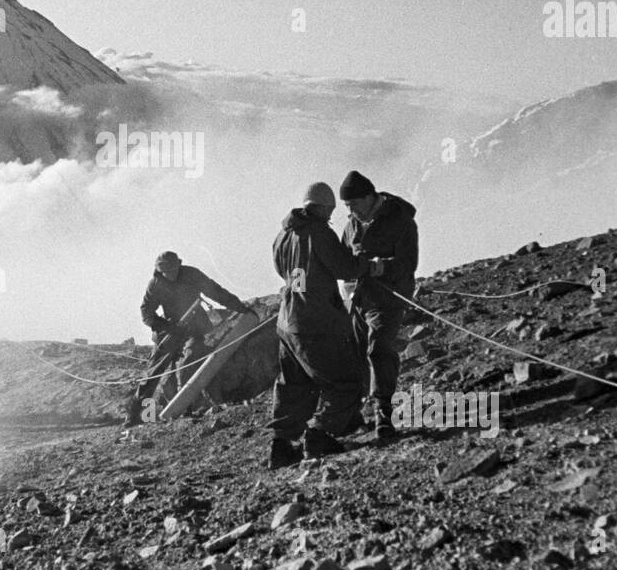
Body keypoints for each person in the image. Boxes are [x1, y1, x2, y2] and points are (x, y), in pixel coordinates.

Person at [269, 183, 372, 468]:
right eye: (330, 211)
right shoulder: (319, 232)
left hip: (286, 322)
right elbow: (344, 268)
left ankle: (281, 446)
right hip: (314, 321)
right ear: (324, 208)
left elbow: (283, 271)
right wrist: (367, 264)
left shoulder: (283, 235)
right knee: (345, 382)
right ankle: (319, 434)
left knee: (293, 385)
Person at [125, 251, 254, 426]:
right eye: (165, 271)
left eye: (172, 269)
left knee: (190, 359)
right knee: (153, 373)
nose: (170, 274)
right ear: (159, 271)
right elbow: (146, 313)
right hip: (170, 330)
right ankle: (133, 417)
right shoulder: (155, 284)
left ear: (179, 264)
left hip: (195, 327)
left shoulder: (192, 275)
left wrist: (239, 307)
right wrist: (168, 327)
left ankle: (184, 409)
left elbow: (216, 292)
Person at [339, 171, 419, 441]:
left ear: (369, 197)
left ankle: (383, 413)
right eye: (346, 207)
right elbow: (342, 261)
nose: (350, 211)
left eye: (353, 205)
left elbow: (408, 264)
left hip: (387, 298)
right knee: (355, 354)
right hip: (358, 300)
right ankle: (355, 416)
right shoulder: (351, 225)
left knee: (379, 349)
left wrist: (379, 266)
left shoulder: (400, 220)